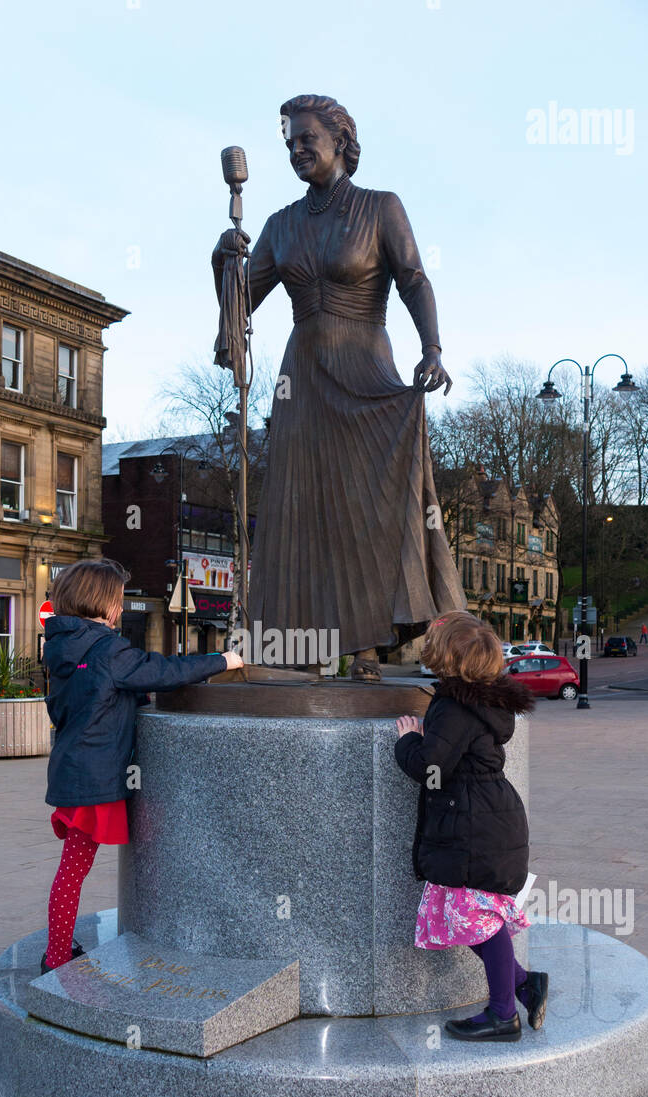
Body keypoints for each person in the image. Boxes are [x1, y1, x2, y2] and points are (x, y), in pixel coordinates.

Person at [212, 94, 464, 682]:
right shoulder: (279, 224)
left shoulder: (381, 208)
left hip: (365, 367)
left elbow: (415, 280)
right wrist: (222, 260)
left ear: (340, 143)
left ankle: (368, 646)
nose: (297, 151)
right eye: (290, 144)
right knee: (302, 508)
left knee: (370, 510)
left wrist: (432, 348)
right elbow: (241, 302)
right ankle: (295, 649)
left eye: (308, 140)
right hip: (300, 376)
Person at [40, 558, 243, 973]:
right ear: (101, 603)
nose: (120, 608)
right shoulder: (106, 648)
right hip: (94, 777)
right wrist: (222, 661)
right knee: (75, 868)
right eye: (117, 600)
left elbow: (87, 699)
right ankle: (57, 956)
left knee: (73, 868)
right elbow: (163, 670)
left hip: (77, 767)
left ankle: (59, 950)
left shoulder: (63, 646)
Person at [393, 612, 548, 1042]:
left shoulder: (454, 707)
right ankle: (521, 984)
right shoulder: (477, 702)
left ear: (444, 658)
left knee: (477, 920)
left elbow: (431, 770)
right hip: (484, 821)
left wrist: (408, 741)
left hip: (474, 828)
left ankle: (503, 1014)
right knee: (464, 917)